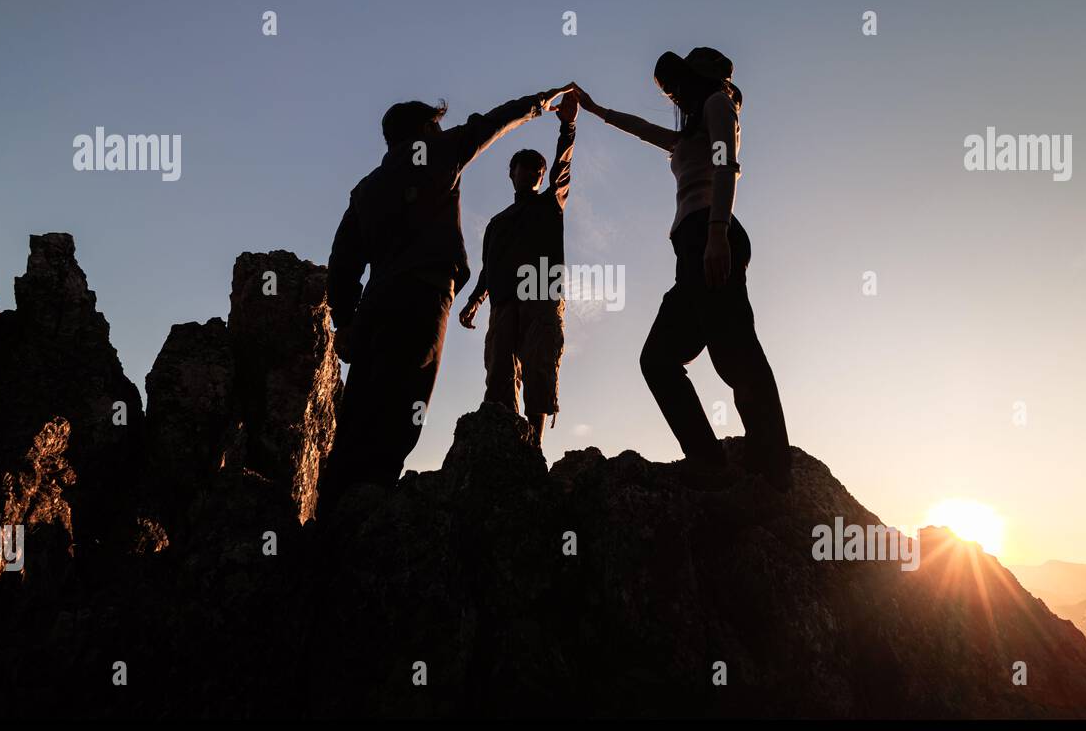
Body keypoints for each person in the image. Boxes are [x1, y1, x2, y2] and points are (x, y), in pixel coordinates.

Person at [323, 82, 572, 493]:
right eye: (435, 126)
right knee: (406, 403)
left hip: (376, 305)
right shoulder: (437, 153)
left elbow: (343, 262)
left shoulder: (365, 189)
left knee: (361, 406)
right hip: (423, 299)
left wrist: (345, 321)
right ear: (423, 129)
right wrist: (542, 102)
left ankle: (334, 507)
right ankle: (372, 501)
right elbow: (492, 122)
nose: (441, 131)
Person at [573, 49, 791, 483]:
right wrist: (596, 110)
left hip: (713, 234)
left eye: (678, 85)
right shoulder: (689, 130)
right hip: (691, 245)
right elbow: (644, 130)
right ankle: (710, 463)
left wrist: (715, 233)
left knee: (735, 353)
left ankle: (772, 472)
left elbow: (726, 164)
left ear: (700, 78)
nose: (674, 95)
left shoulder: (717, 104)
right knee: (658, 359)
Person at [458, 91, 578, 447]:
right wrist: (476, 301)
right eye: (525, 167)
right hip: (504, 301)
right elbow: (488, 267)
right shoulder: (497, 223)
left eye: (538, 170)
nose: (533, 173)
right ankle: (505, 441)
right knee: (498, 370)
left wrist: (568, 128)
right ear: (512, 173)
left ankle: (535, 447)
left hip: (540, 291)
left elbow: (563, 168)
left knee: (539, 365)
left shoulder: (550, 204)